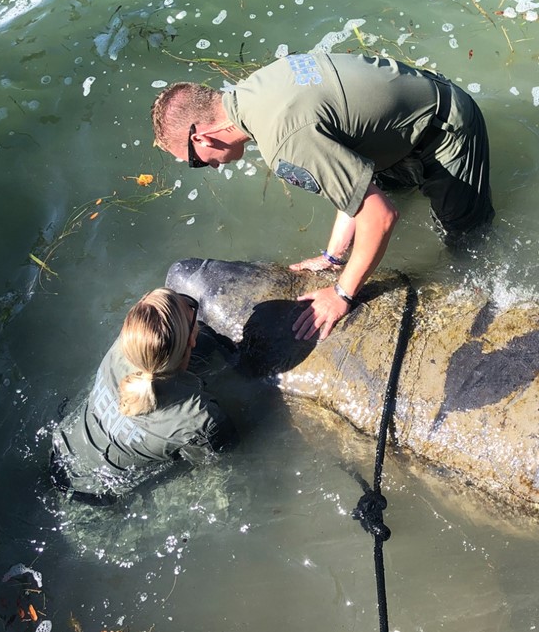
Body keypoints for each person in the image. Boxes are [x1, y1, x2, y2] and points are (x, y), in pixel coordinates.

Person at [150, 52, 494, 341]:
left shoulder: (285, 145)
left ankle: (487, 298)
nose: (208, 168)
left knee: (466, 241)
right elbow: (348, 180)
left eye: (195, 162)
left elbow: (381, 216)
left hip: (447, 129)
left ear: (202, 139)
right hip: (411, 108)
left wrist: (341, 294)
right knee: (376, 198)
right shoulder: (258, 88)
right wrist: (332, 256)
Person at [50, 288, 228, 503]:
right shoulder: (198, 417)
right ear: (192, 339)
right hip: (97, 494)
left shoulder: (120, 347)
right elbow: (219, 456)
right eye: (191, 306)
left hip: (60, 449)